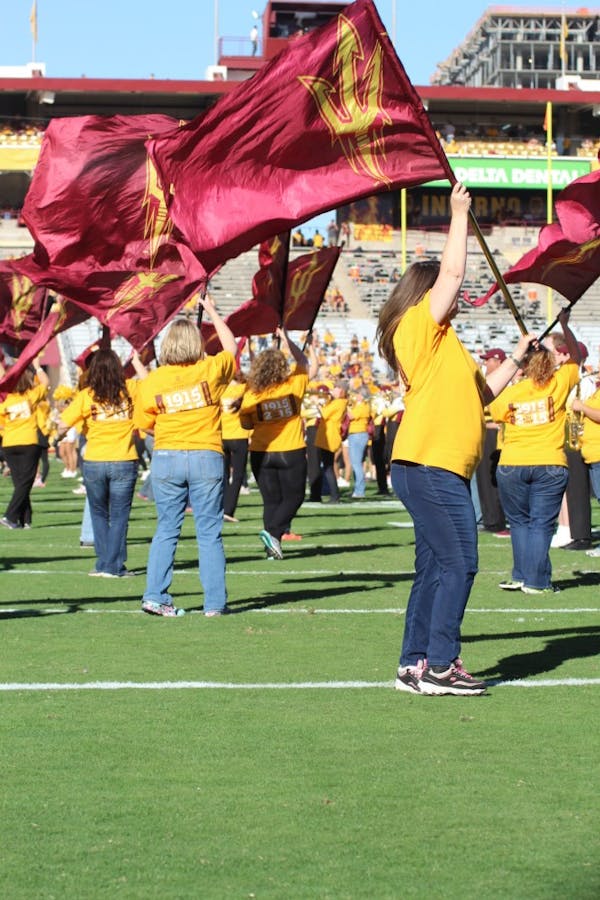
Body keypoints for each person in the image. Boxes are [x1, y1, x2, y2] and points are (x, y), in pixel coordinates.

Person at [376, 181, 535, 696]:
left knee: (434, 567)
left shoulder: (447, 344)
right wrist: (458, 213)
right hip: (428, 463)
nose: (458, 298)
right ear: (422, 295)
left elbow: (480, 395)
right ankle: (442, 663)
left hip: (434, 464)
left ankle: (415, 664)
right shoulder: (416, 326)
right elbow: (451, 272)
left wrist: (515, 358)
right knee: (461, 561)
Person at [134, 299, 236, 617]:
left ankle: (155, 595)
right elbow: (232, 347)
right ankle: (214, 604)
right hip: (206, 454)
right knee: (209, 531)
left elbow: (143, 425)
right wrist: (214, 311)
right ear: (197, 343)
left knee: (166, 528)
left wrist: (168, 433)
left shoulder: (153, 380)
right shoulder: (210, 369)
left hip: (167, 456)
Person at [490, 313, 580, 594]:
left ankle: (520, 575)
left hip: (513, 462)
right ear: (552, 363)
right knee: (541, 523)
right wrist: (565, 324)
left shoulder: (512, 392)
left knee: (519, 522)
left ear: (525, 365)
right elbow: (576, 355)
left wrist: (516, 371)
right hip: (549, 462)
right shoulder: (560, 382)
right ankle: (536, 581)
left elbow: (493, 407)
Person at [59, 349, 146, 577]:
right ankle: (112, 566)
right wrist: (136, 362)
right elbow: (150, 383)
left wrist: (61, 435)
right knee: (119, 516)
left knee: (99, 514)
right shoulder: (131, 390)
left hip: (95, 461)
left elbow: (63, 422)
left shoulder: (87, 395)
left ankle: (104, 564)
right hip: (123, 461)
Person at [240, 326, 317, 559]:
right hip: (290, 449)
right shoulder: (294, 384)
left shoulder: (252, 392)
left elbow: (246, 424)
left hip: (261, 451)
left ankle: (272, 548)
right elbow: (304, 361)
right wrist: (287, 339)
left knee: (271, 500)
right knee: (294, 497)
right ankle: (273, 534)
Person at [0, 357, 49, 528]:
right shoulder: (31, 395)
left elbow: (1, 423)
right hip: (28, 442)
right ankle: (10, 516)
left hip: (9, 443)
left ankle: (25, 519)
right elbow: (45, 383)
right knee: (25, 482)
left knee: (20, 482)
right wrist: (37, 366)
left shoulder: (5, 400)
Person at [475, 347, 509, 535]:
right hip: (484, 432)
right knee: (484, 479)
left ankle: (497, 520)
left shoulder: (504, 383)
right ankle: (490, 519)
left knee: (494, 479)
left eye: (489, 360)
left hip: (495, 433)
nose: (486, 363)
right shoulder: (484, 381)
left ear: (498, 362)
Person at [221, 370, 249, 523]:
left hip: (222, 436)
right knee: (237, 476)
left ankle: (221, 507)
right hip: (239, 436)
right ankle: (229, 510)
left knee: (223, 475)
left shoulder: (221, 389)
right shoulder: (243, 388)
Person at [314, 379, 348, 504]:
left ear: (342, 391)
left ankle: (334, 495)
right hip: (326, 436)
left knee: (328, 467)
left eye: (336, 388)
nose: (333, 390)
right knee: (327, 466)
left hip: (330, 437)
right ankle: (333, 494)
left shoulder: (339, 402)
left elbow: (324, 413)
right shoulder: (336, 402)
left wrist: (318, 404)